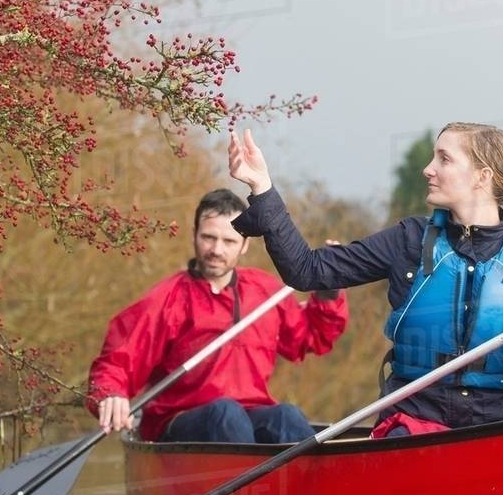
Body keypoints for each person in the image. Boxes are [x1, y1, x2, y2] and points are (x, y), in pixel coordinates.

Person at [228, 124, 503, 435]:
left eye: (444, 159)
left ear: (482, 176)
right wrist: (262, 187)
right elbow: (307, 270)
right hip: (414, 421)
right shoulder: (410, 239)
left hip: (498, 425)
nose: (428, 169)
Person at [87, 188, 348, 444]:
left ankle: (310, 483)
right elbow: (118, 359)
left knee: (286, 416)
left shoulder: (266, 293)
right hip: (178, 420)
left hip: (248, 415)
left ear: (245, 245)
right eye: (208, 238)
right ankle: (250, 482)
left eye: (229, 241)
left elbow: (311, 338)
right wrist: (110, 394)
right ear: (194, 236)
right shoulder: (166, 299)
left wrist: (328, 291)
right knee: (225, 413)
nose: (217, 250)